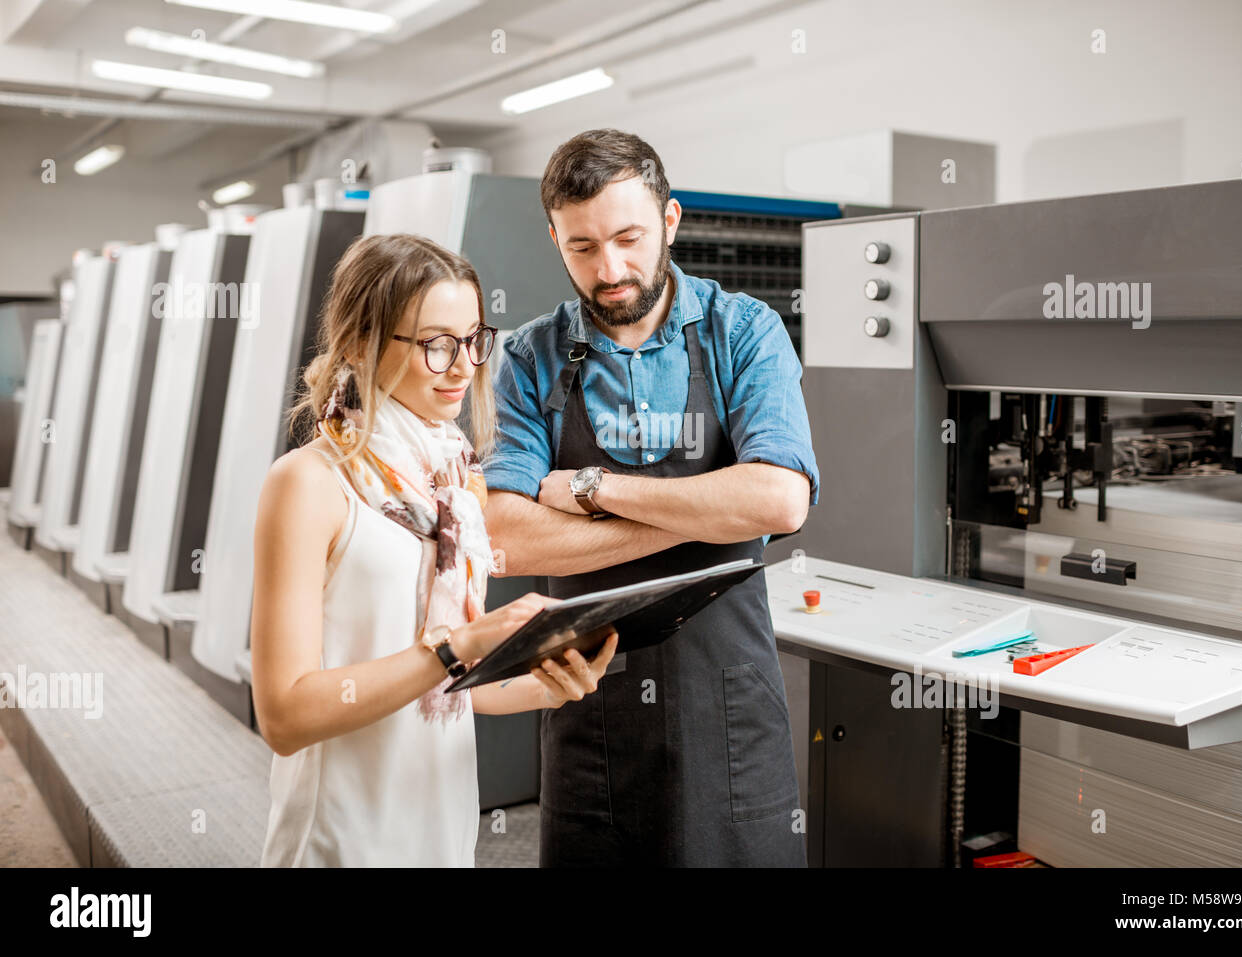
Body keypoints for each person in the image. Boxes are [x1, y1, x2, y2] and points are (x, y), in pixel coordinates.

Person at [482, 129, 819, 866]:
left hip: (728, 710)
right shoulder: (529, 359)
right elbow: (506, 535)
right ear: (553, 239)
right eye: (581, 248)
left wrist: (595, 489)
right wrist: (713, 525)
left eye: (629, 238)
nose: (610, 269)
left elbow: (780, 500)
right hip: (589, 708)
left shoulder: (746, 333)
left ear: (670, 219)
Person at [250, 233, 618, 867]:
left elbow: (450, 692)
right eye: (435, 344)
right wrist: (454, 649)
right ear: (363, 342)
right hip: (343, 835)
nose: (463, 365)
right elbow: (284, 716)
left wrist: (546, 685)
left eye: (474, 339)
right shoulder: (309, 483)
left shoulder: (456, 483)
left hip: (441, 825)